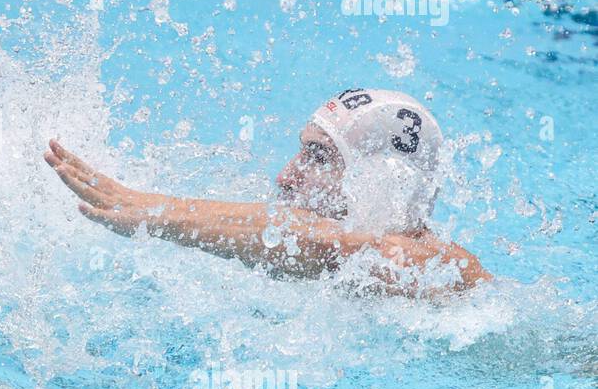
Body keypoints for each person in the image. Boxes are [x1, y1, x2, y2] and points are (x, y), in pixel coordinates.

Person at [46, 88, 489, 295]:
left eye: (318, 158)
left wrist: (163, 212)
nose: (285, 177)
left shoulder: (442, 269)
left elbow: (328, 245)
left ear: (380, 180)